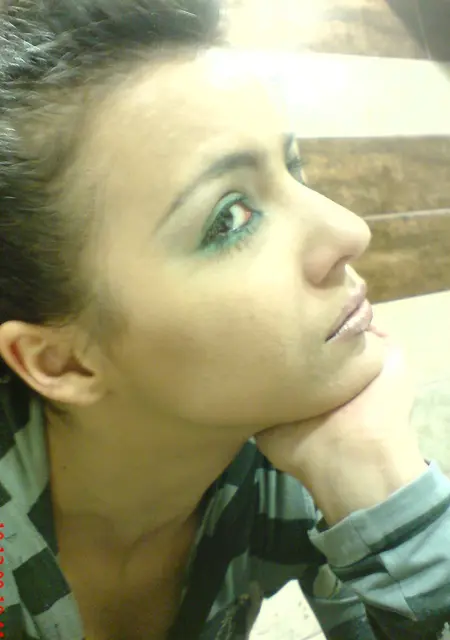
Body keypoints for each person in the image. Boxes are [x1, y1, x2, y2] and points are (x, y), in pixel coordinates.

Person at [0, 1, 448, 639]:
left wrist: (383, 482)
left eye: (292, 167)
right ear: (62, 361)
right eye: (229, 218)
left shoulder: (291, 461)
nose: (350, 232)